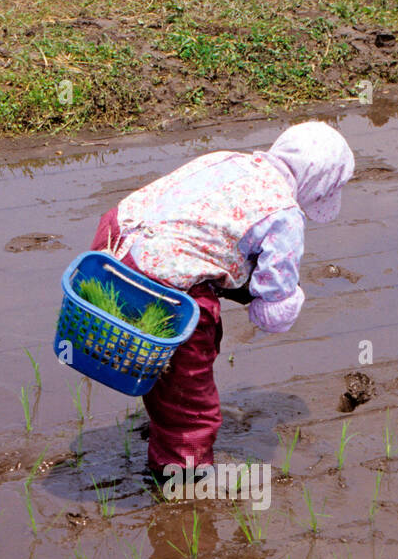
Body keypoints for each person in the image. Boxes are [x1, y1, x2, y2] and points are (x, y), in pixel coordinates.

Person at [89, 119, 355, 483]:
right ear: (319, 184)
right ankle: (180, 477)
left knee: (155, 354)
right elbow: (273, 309)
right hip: (165, 280)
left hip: (112, 245)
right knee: (190, 395)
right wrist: (277, 299)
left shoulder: (229, 159)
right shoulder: (283, 214)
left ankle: (160, 406)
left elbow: (199, 226)